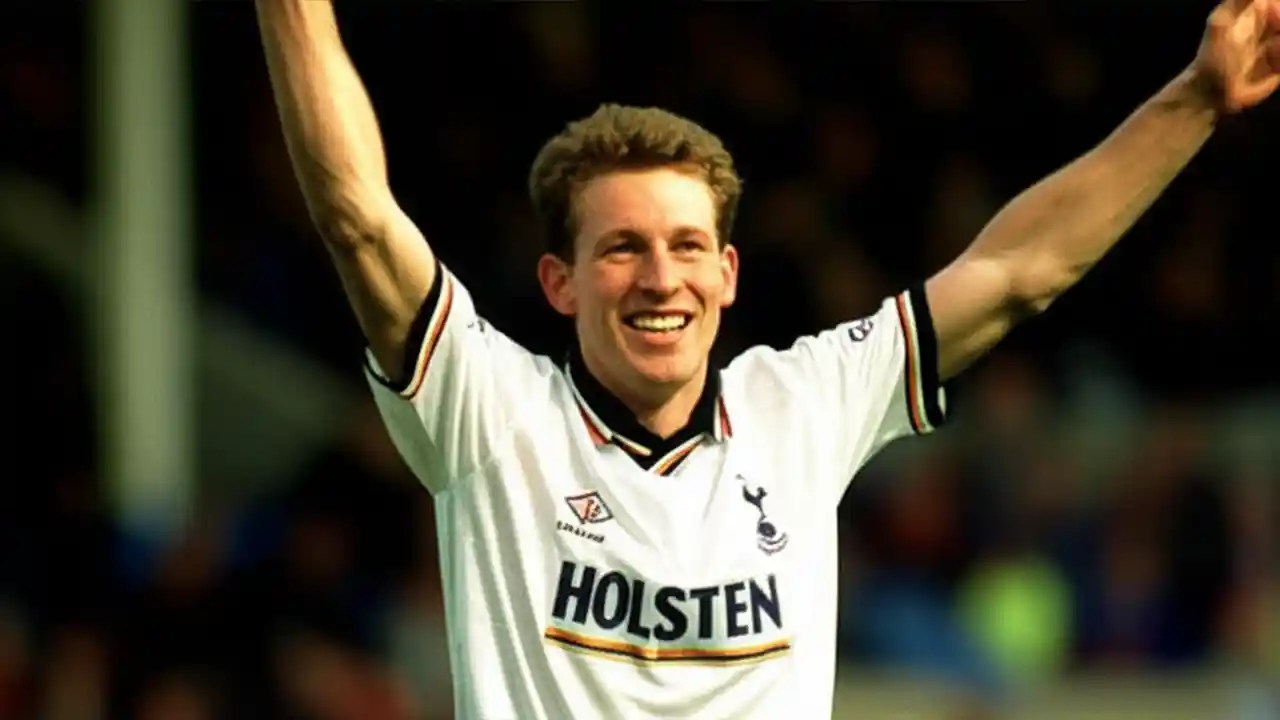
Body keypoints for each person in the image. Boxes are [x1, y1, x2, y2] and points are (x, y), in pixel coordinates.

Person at [252, 0, 1280, 717]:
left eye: (686, 245)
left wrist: (1195, 97)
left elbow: (1018, 269)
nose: (661, 278)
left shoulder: (801, 405)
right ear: (559, 282)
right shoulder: (491, 413)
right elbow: (356, 216)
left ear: (728, 272)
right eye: (622, 249)